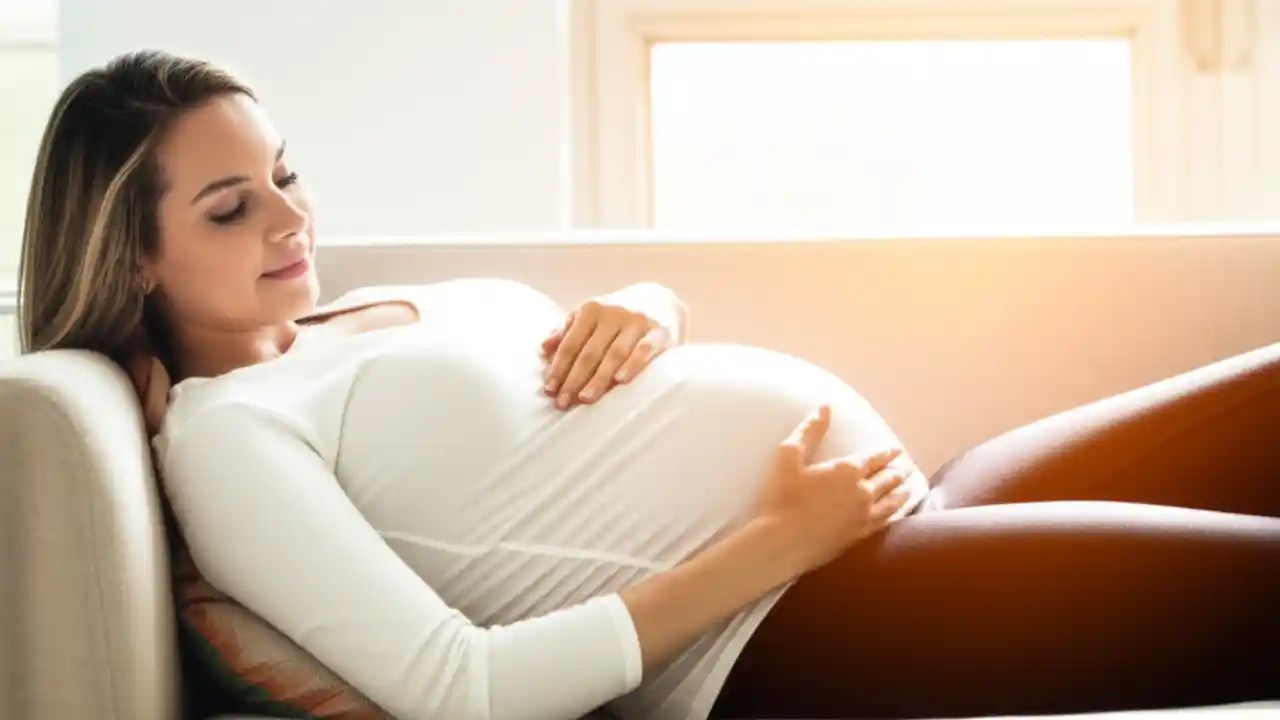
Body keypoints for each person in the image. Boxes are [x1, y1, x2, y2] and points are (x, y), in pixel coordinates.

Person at [17, 49, 1277, 720]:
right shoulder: (227, 440)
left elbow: (559, 416)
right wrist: (776, 544)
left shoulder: (337, 319)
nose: (292, 217)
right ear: (130, 253)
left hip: (893, 513)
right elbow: (464, 691)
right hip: (793, 627)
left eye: (287, 175)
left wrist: (647, 310)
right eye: (234, 206)